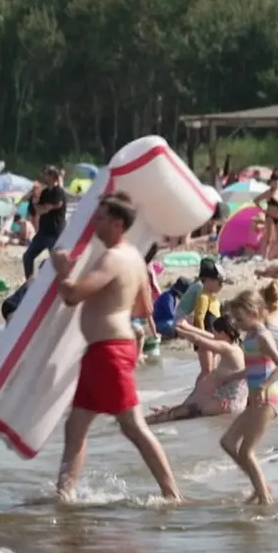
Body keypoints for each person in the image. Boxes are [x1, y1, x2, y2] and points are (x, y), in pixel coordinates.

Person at [49, 193, 182, 501]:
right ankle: (64, 495)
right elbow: (143, 307)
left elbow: (73, 296)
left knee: (132, 425)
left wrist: (62, 272)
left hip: (109, 350)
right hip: (105, 350)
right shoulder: (135, 258)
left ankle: (172, 493)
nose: (94, 222)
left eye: (100, 217)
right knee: (76, 425)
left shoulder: (113, 258)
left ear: (117, 223)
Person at [220, 288, 278, 504]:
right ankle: (260, 485)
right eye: (235, 319)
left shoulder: (263, 336)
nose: (237, 324)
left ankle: (265, 500)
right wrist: (233, 377)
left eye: (240, 319)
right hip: (254, 401)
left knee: (246, 451)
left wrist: (263, 387)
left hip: (267, 400)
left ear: (255, 312)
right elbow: (254, 367)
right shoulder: (249, 336)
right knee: (228, 442)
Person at [150, 315, 248, 423]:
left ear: (223, 334)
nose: (213, 336)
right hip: (227, 400)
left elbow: (199, 340)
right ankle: (168, 412)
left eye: (215, 333)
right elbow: (208, 336)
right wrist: (187, 327)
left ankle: (151, 420)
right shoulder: (234, 346)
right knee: (179, 412)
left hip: (224, 402)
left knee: (180, 413)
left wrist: (179, 331)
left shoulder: (228, 348)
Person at [21, 167, 67, 280]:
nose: (43, 177)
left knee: (56, 262)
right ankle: (30, 283)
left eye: (46, 174)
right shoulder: (45, 192)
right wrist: (33, 197)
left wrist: (37, 204)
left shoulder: (58, 192)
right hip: (44, 231)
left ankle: (57, 284)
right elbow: (35, 210)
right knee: (28, 257)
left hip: (55, 232)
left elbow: (44, 209)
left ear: (52, 176)